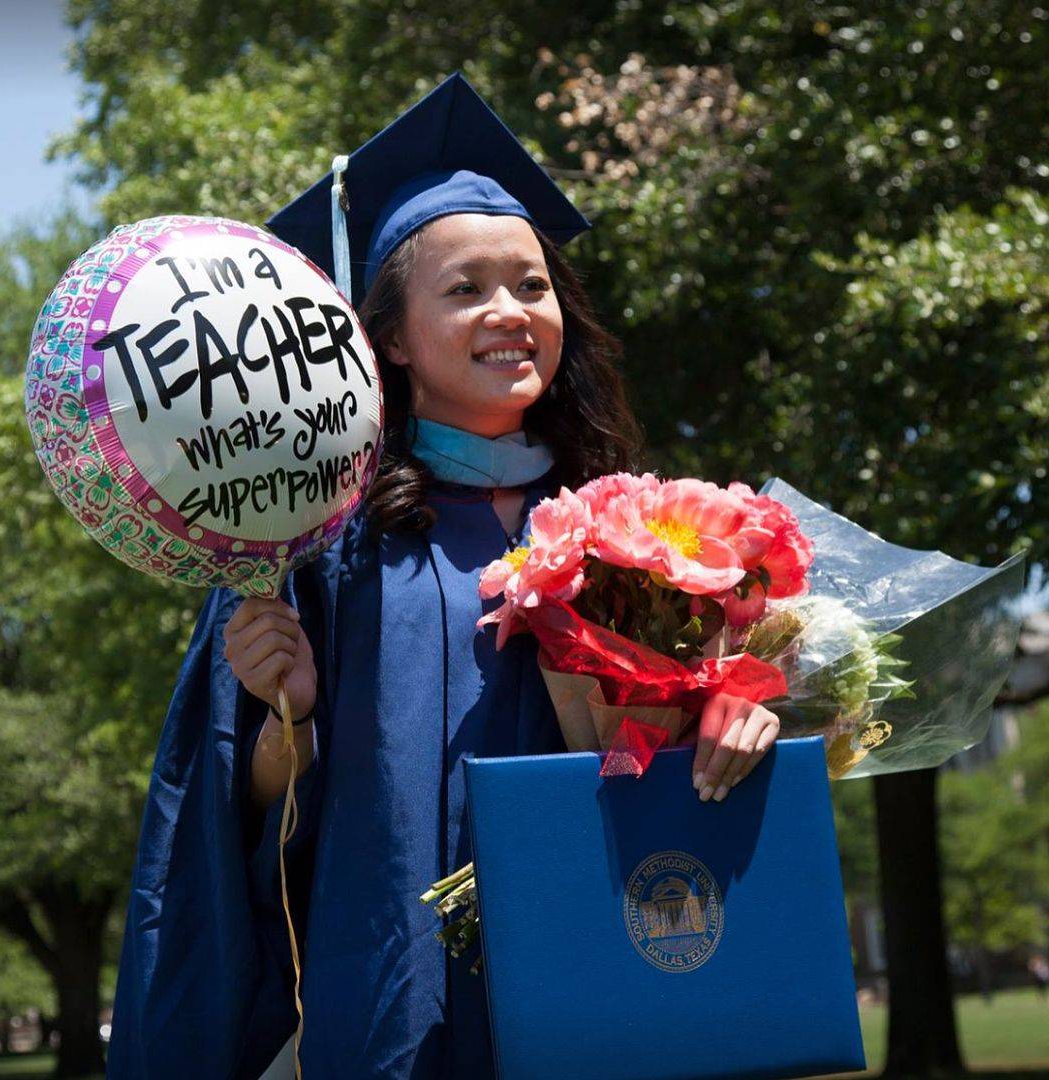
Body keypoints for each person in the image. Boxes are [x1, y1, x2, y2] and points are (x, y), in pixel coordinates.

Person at [106, 72, 781, 1079]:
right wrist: (288, 721)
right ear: (385, 337)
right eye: (464, 289)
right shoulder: (316, 540)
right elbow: (227, 821)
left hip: (609, 968)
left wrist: (745, 702)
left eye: (532, 285)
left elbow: (684, 758)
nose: (509, 311)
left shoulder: (645, 533)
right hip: (397, 990)